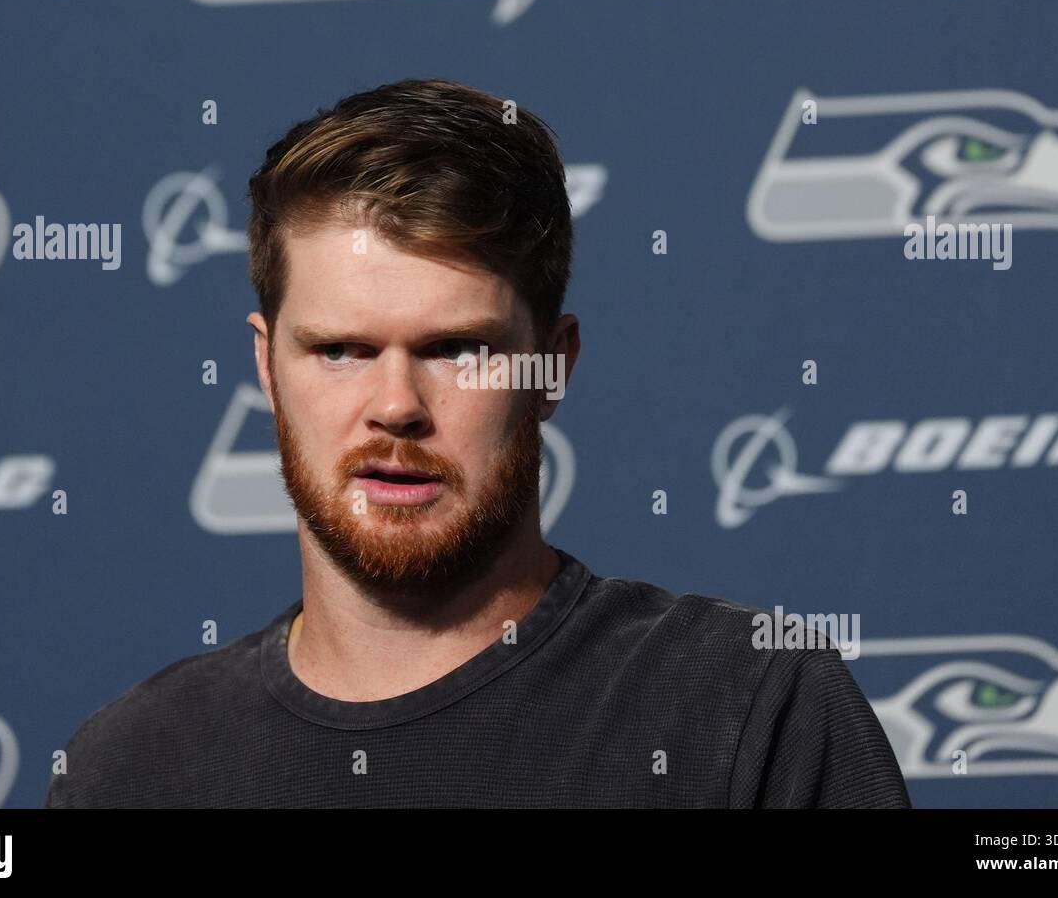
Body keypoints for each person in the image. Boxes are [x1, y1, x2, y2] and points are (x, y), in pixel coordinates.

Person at [46, 78, 909, 808]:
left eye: (458, 350)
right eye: (341, 350)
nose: (396, 407)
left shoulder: (743, 705)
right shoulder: (130, 771)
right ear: (267, 369)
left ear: (552, 369)